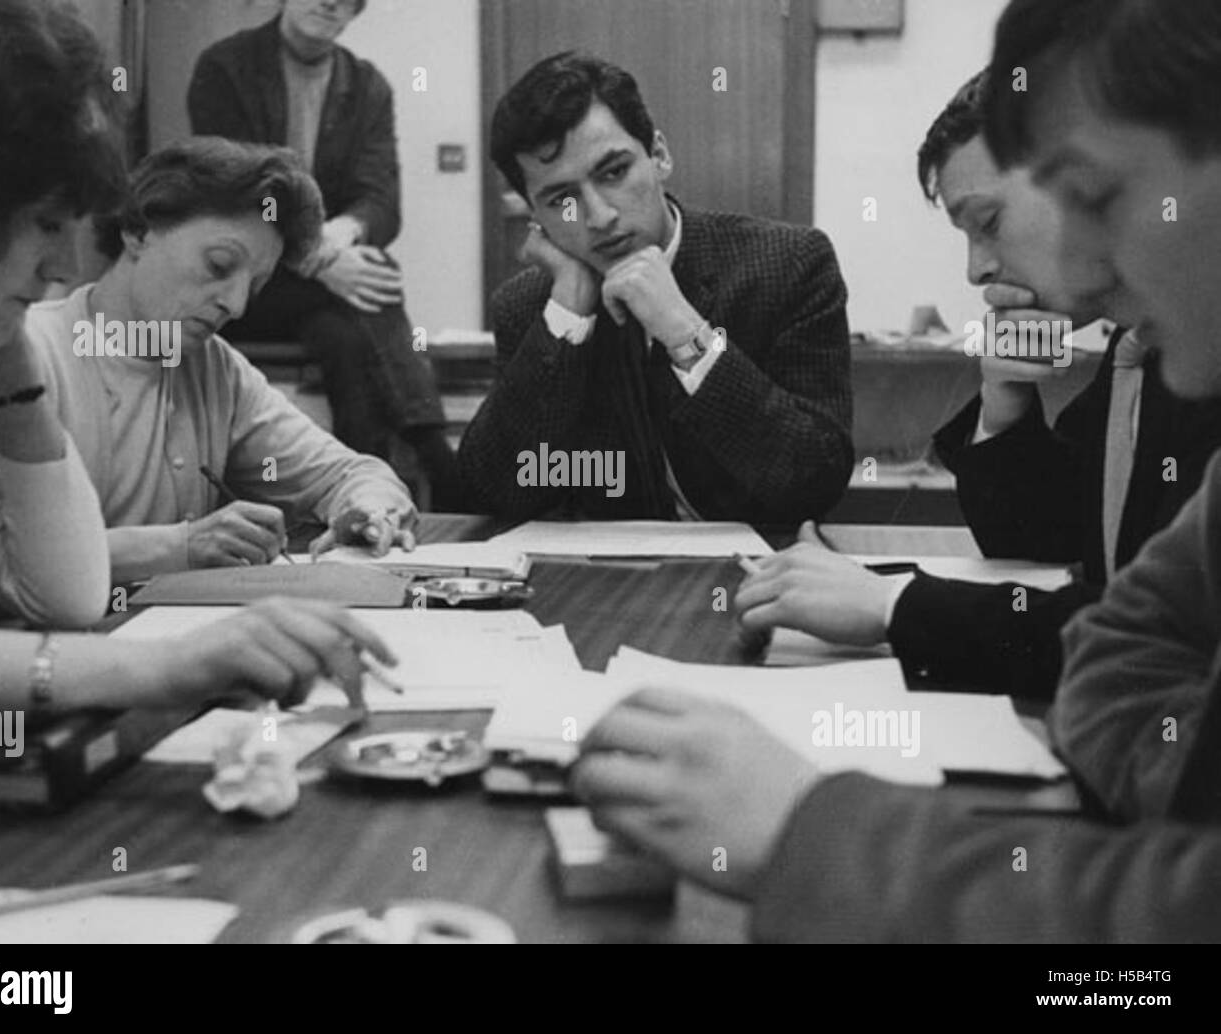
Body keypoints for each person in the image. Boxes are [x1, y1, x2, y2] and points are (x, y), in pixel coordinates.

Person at [575, 0, 1221, 941]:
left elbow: (1146, 971)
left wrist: (819, 830)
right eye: (556, 195)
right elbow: (1107, 609)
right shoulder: (1144, 354)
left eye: (1094, 194)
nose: (1080, 273)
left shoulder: (783, 263)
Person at [0, 0, 395, 719]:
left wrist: (5, 365)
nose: (60, 263)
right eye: (47, 223)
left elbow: (69, 593)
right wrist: (159, 663)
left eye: (257, 285)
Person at [733, 71, 1221, 700]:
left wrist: (895, 605)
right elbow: (1050, 548)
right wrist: (1005, 403)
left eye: (987, 222)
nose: (976, 270)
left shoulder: (1193, 356)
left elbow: (1151, 644)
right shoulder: (1138, 350)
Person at [458, 52, 853, 524]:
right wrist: (567, 316)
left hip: (761, 574)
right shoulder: (531, 307)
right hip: (607, 586)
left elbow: (814, 480)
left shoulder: (789, 264)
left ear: (659, 155)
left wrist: (686, 335)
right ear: (535, 219)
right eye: (563, 200)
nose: (600, 216)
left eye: (614, 172)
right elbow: (496, 493)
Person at [24, 138, 417, 584]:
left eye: (255, 285)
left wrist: (367, 510)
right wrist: (181, 547)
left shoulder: (217, 372)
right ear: (138, 231)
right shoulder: (30, 355)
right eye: (219, 265)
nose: (236, 305)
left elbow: (351, 473)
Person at [187, 0, 461, 508]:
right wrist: (315, 256)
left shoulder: (367, 86)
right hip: (249, 281)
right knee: (364, 288)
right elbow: (232, 191)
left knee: (345, 330)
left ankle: (365, 481)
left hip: (322, 300)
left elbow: (382, 201)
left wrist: (343, 233)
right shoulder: (225, 67)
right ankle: (430, 451)